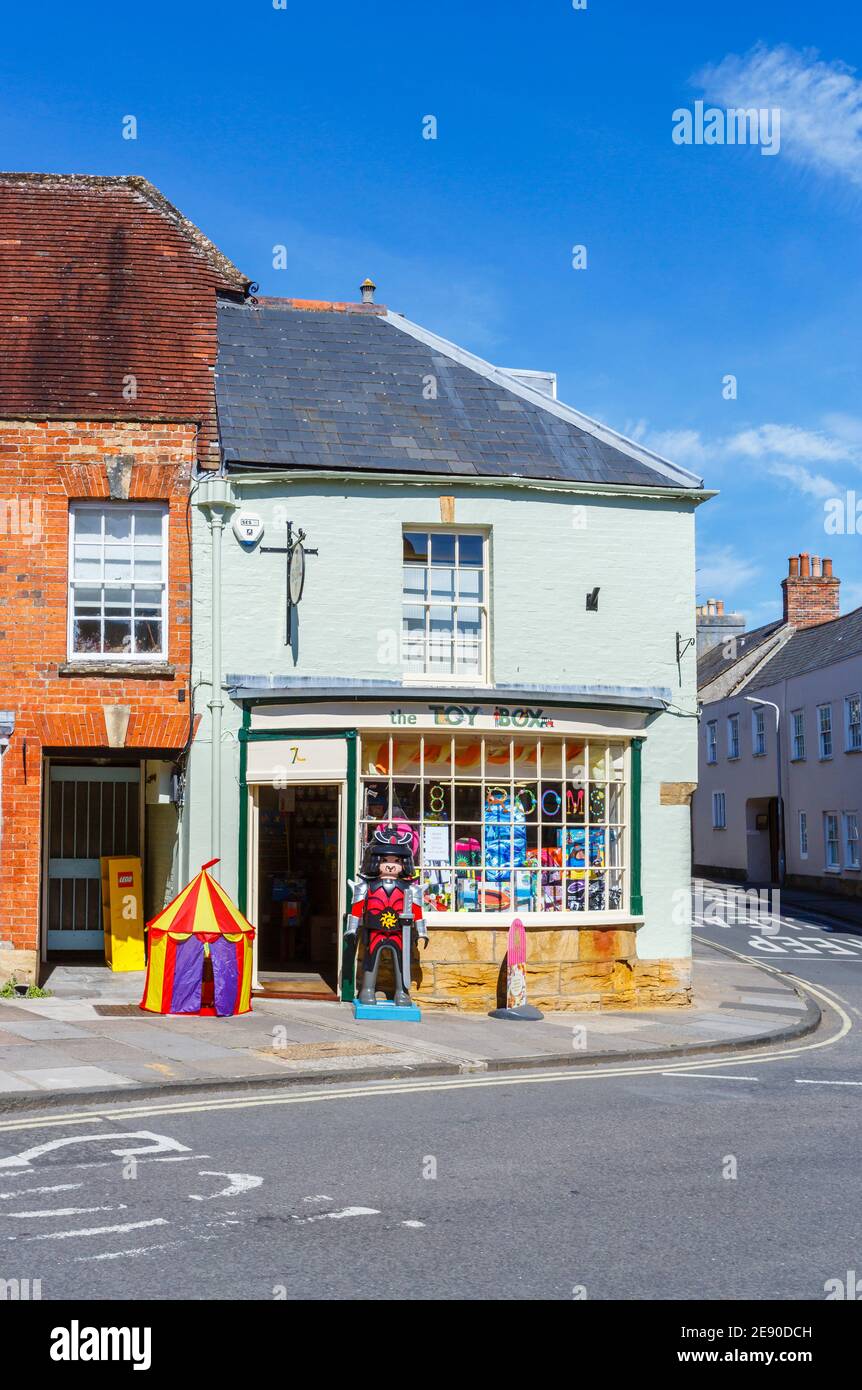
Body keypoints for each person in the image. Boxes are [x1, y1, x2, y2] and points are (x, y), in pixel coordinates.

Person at [347, 823, 428, 1007]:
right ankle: (367, 990)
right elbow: (358, 906)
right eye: (385, 861)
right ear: (376, 862)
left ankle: (402, 992)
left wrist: (422, 931)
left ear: (404, 864)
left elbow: (417, 910)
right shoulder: (367, 886)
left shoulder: (410, 888)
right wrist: (352, 928)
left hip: (400, 931)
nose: (391, 866)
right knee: (371, 960)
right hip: (375, 929)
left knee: (401, 962)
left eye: (396, 861)